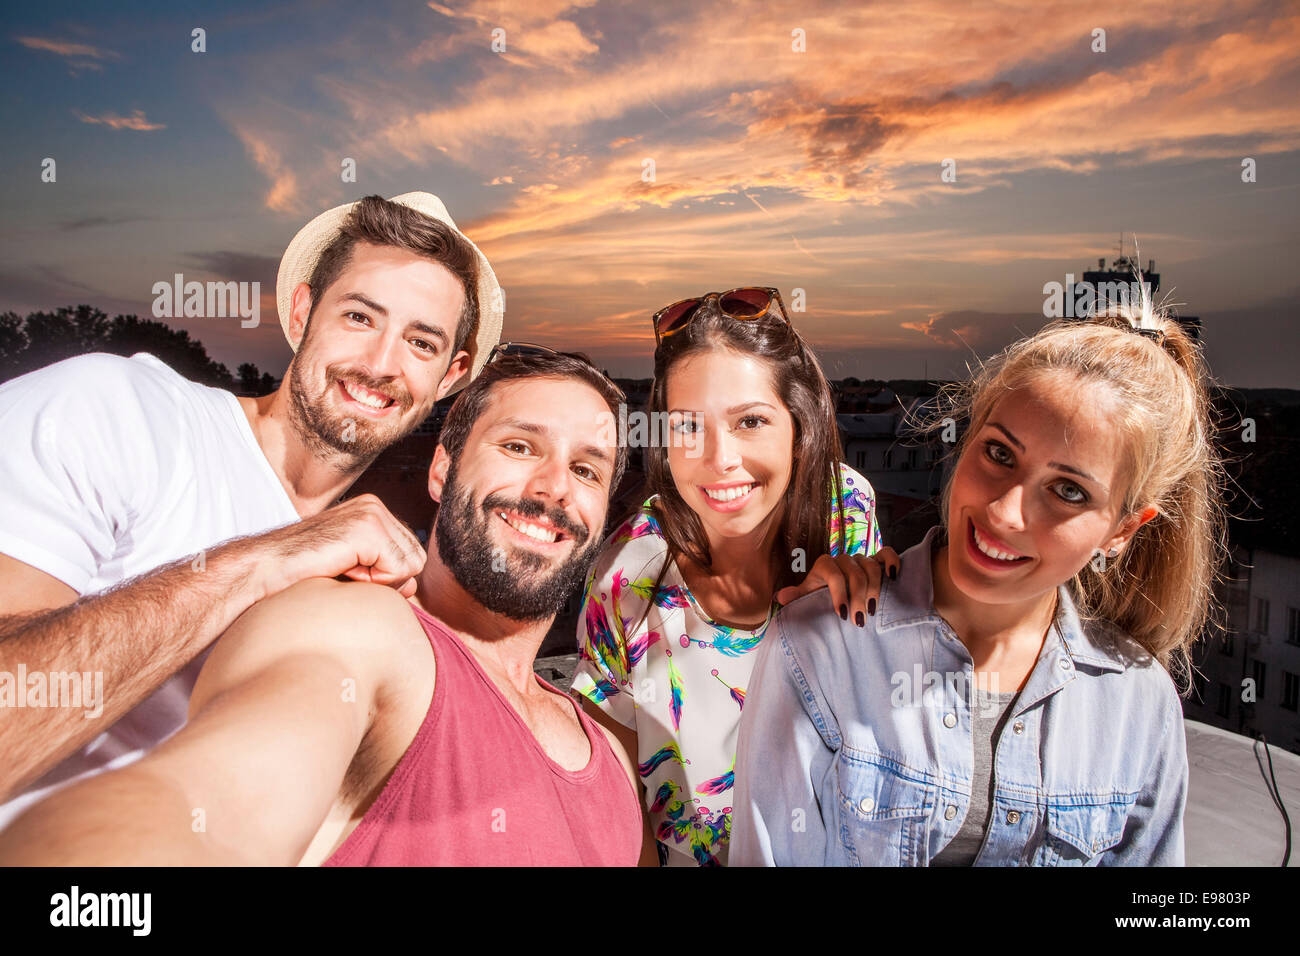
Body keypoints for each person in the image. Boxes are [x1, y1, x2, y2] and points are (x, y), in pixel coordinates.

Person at [0, 347, 642, 866]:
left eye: (587, 470)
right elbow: (191, 816)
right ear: (443, 470)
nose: (555, 487)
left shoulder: (613, 761)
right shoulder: (360, 632)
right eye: (520, 446)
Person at [0, 191, 504, 829]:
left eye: (422, 343)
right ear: (302, 311)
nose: (382, 364)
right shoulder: (115, 408)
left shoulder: (365, 570)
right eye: (358, 317)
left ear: (451, 375)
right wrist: (262, 562)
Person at [731, 308, 1225, 866]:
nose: (1003, 511)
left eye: (1067, 491)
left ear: (1122, 530)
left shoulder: (1140, 701)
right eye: (998, 454)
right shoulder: (822, 644)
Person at [571, 287, 896, 866]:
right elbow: (614, 794)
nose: (718, 458)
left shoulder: (845, 512)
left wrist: (836, 622)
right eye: (687, 425)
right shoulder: (628, 572)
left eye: (750, 421)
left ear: (801, 425)